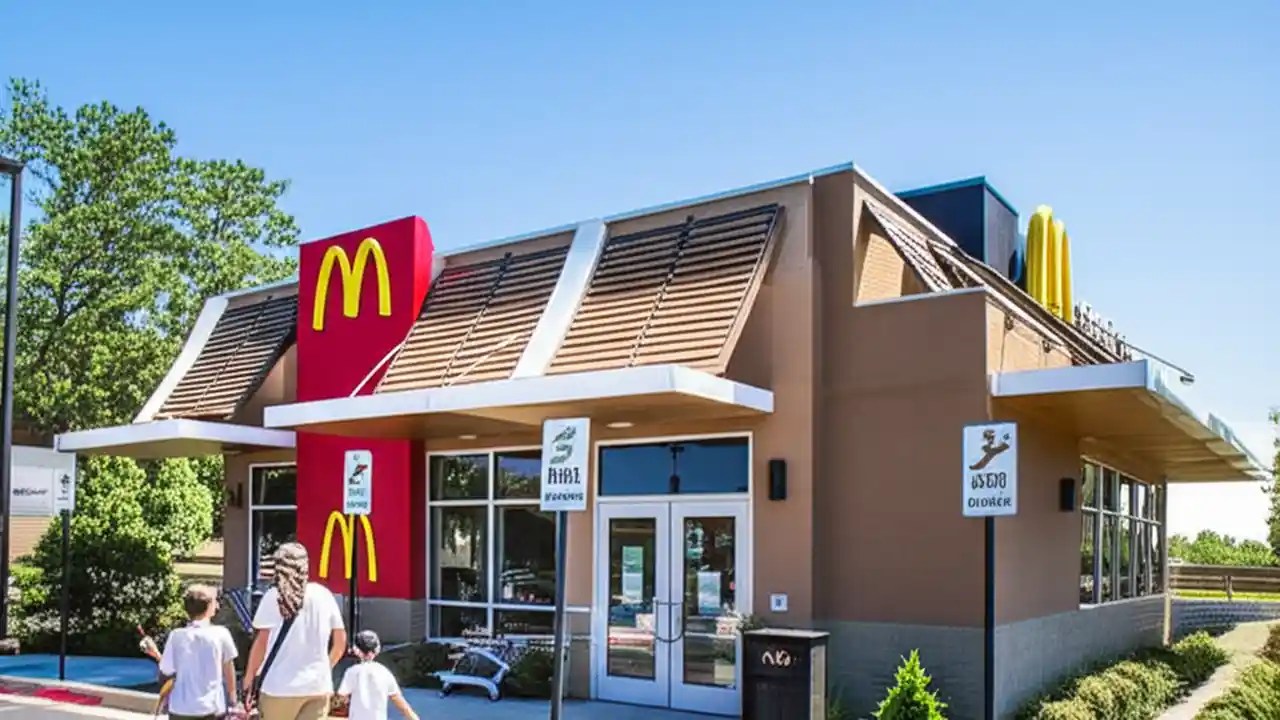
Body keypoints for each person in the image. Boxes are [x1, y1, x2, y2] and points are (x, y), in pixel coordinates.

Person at [242, 543, 347, 720]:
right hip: (317, 686)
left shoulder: (273, 597)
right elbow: (340, 642)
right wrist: (324, 667)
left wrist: (248, 679)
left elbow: (261, 644)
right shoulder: (324, 595)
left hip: (279, 687)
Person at [157, 584, 242, 720]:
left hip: (181, 707)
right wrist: (233, 701)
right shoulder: (221, 634)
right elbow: (229, 669)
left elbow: (166, 669)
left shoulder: (176, 635)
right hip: (212, 707)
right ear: (209, 607)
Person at [338, 630, 419, 720]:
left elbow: (342, 697)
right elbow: (398, 700)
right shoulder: (384, 672)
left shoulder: (352, 672)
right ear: (377, 649)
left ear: (356, 650)